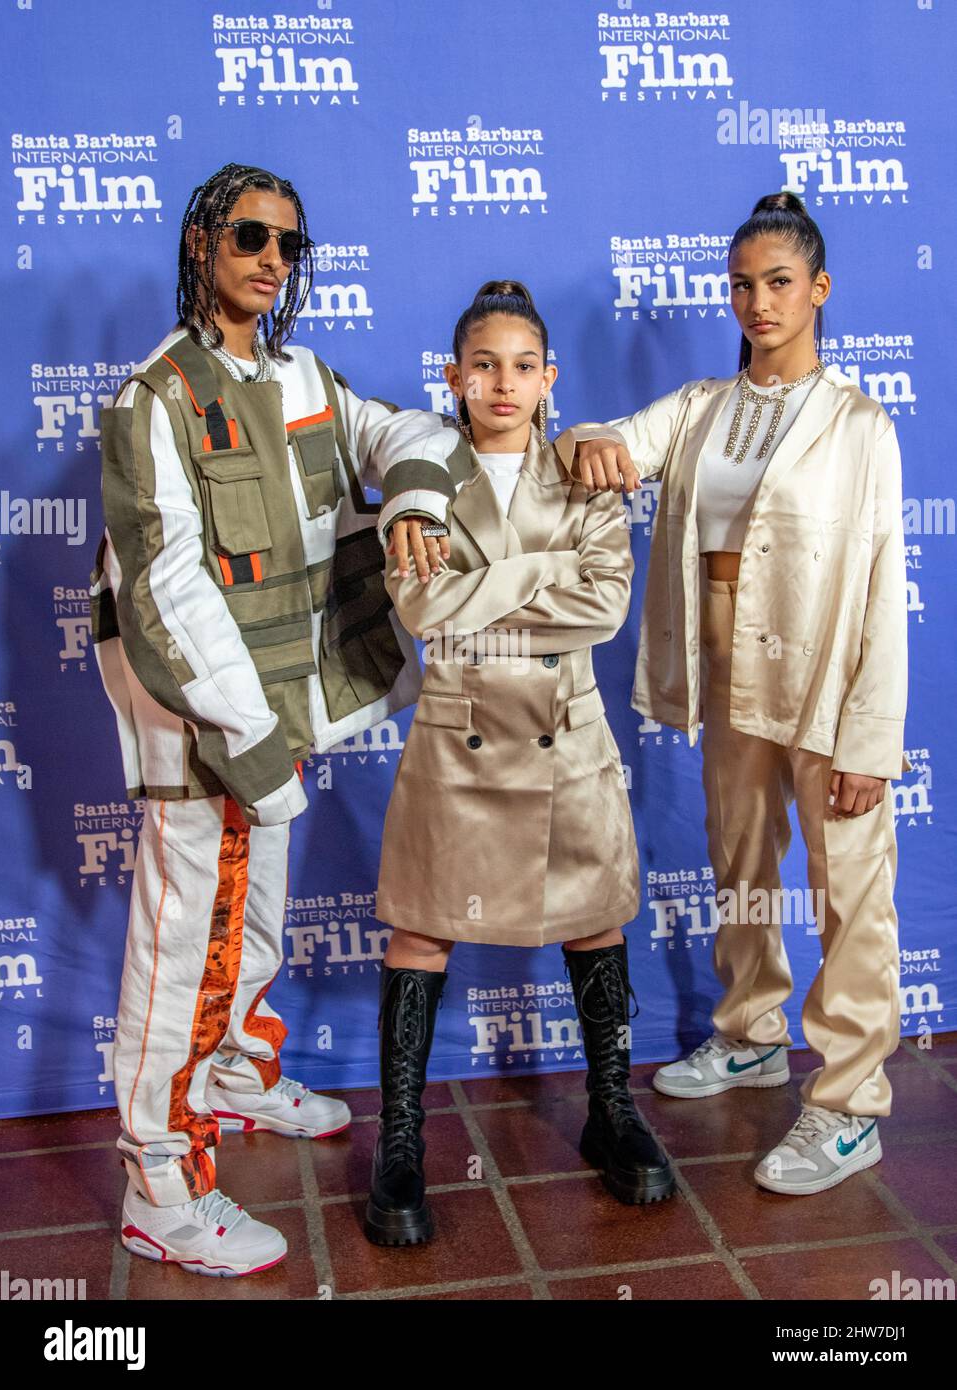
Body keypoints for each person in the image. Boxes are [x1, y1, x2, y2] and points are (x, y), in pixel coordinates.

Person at [90, 162, 445, 1275]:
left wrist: (417, 502)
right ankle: (158, 1178)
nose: (269, 260)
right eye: (248, 236)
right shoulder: (154, 398)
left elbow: (400, 432)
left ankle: (237, 1070)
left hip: (279, 707)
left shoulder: (300, 377)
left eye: (287, 243)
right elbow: (164, 594)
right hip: (198, 719)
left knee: (257, 916)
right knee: (183, 939)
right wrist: (244, 742)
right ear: (202, 244)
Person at [555, 193, 908, 1196]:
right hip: (723, 675)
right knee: (743, 864)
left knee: (851, 894)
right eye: (743, 284)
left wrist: (870, 737)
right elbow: (603, 438)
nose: (758, 300)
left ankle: (848, 1104)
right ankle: (752, 1030)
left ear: (820, 289)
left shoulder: (857, 424)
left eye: (779, 282)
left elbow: (884, 582)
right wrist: (588, 441)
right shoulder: (703, 405)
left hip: (825, 686)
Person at [364, 280, 676, 1248]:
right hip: (456, 732)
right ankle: (403, 1142)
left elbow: (605, 607)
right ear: (453, 378)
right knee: (421, 930)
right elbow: (419, 611)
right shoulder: (420, 481)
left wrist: (482, 588)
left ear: (551, 378)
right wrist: (548, 573)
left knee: (594, 921)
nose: (505, 382)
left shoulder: (589, 471)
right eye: (484, 364)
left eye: (523, 365)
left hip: (566, 734)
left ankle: (610, 1108)